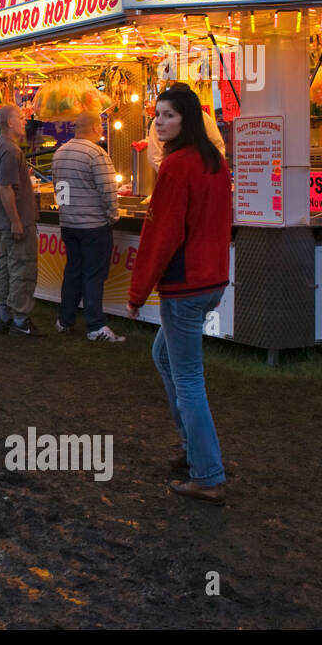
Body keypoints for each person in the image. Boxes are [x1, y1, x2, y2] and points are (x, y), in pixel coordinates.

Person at [127, 85, 232, 504]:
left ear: (186, 118)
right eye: (157, 115)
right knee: (164, 357)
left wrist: (136, 293)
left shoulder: (176, 167)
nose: (159, 121)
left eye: (168, 115)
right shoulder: (215, 163)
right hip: (209, 281)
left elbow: (160, 236)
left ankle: (207, 474)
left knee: (188, 377)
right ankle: (194, 449)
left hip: (187, 285)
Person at [52, 113, 124, 342]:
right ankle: (95, 325)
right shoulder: (96, 154)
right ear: (94, 127)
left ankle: (64, 320)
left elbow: (59, 188)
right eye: (101, 126)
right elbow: (109, 191)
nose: (102, 129)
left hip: (69, 224)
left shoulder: (59, 153)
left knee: (73, 271)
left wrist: (67, 213)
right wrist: (113, 215)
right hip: (94, 226)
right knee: (93, 275)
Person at [0, 104, 42, 336]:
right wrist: (16, 220)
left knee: (5, 267)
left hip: (3, 220)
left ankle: (3, 315)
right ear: (10, 123)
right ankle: (21, 321)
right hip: (15, 220)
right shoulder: (10, 150)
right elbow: (5, 188)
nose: (24, 121)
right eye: (20, 118)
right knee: (22, 267)